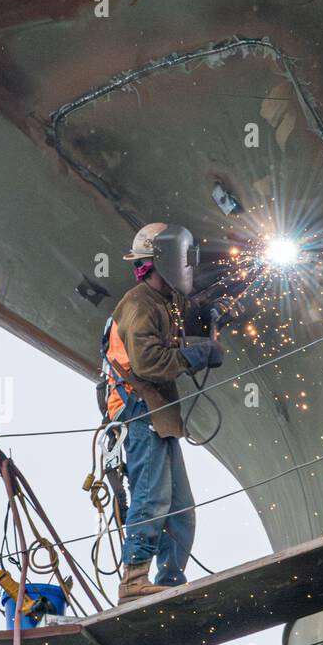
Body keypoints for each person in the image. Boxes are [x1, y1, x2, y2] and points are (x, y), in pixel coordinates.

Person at [105, 223, 221, 602]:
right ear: (165, 261)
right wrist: (197, 354)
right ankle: (134, 580)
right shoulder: (139, 304)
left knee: (181, 508)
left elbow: (187, 317)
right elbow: (150, 363)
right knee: (153, 496)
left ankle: (170, 581)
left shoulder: (165, 301)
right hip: (139, 409)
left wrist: (218, 307)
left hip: (160, 411)